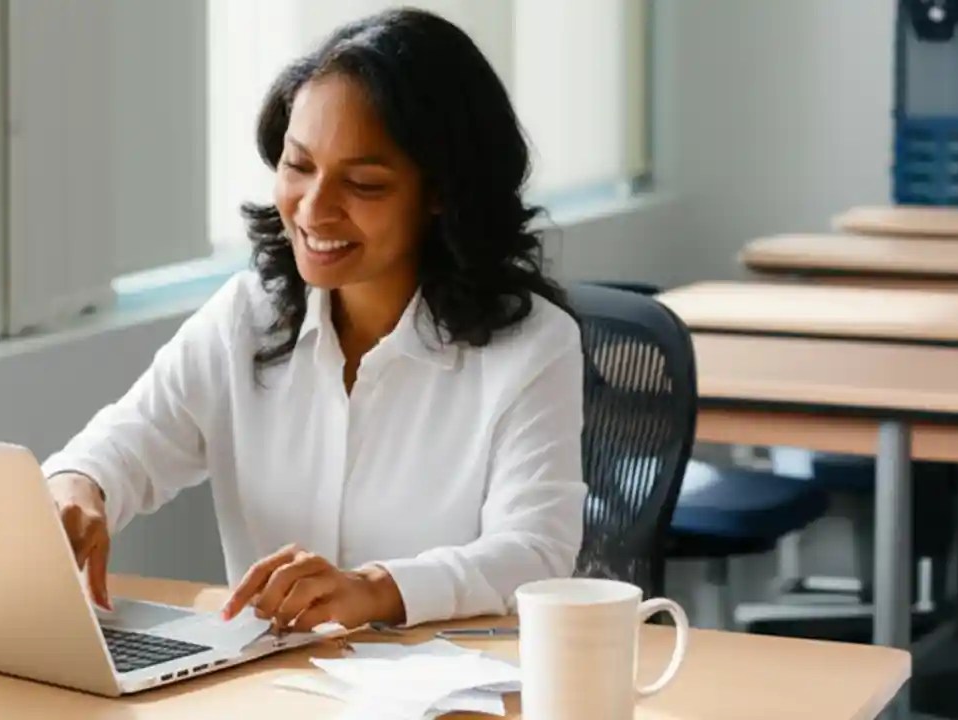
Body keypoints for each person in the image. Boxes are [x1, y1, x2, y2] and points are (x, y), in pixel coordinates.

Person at [43, 7, 585, 633]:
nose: (315, 209)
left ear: (441, 194)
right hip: (276, 688)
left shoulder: (533, 346)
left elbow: (535, 556)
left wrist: (374, 590)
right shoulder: (246, 316)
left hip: (454, 688)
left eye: (363, 184)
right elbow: (122, 447)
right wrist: (79, 486)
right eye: (298, 167)